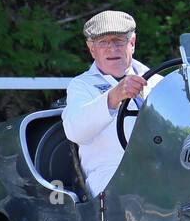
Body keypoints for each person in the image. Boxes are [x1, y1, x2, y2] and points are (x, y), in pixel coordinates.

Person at [62, 10, 155, 197]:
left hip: (163, 173)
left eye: (118, 41)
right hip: (111, 179)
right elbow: (75, 131)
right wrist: (114, 97)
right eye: (103, 42)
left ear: (132, 43)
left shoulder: (157, 80)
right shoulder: (82, 85)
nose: (112, 49)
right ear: (92, 49)